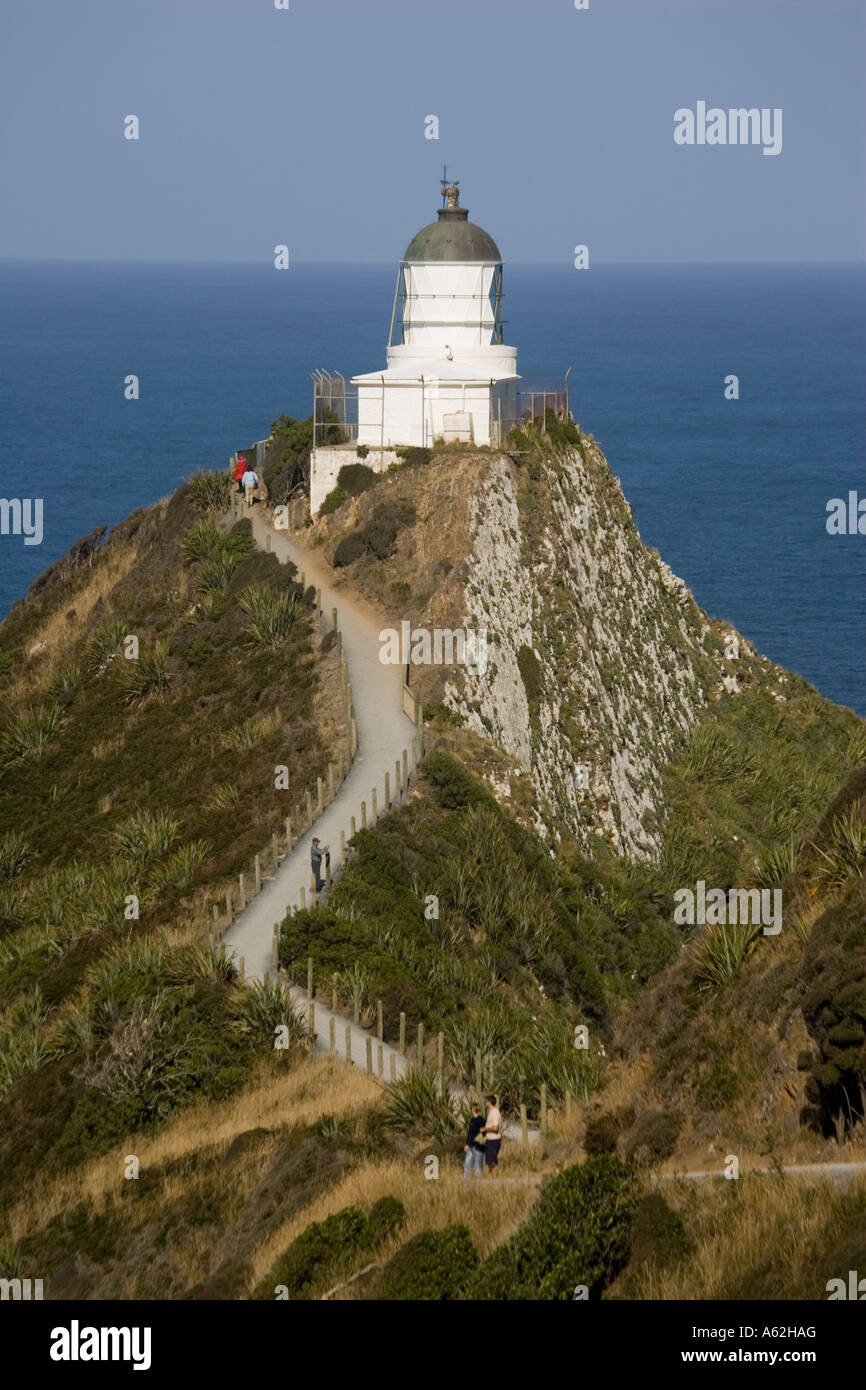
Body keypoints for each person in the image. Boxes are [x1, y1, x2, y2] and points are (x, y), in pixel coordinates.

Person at [481, 1094, 501, 1176]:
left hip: (494, 1139)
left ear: (489, 1102)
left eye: (486, 1101)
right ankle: (492, 1177)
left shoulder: (495, 1113)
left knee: (492, 1161)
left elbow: (495, 1128)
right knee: (490, 1160)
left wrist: (485, 1129)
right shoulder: (491, 1112)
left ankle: (495, 1178)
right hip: (489, 1139)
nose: (485, 1103)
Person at [463, 1102, 485, 1179]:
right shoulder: (472, 1120)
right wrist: (467, 1144)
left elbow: (483, 1132)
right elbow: (469, 1133)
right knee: (467, 1164)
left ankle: (480, 1183)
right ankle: (466, 1181)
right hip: (470, 1146)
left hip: (478, 1146)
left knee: (478, 1166)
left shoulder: (481, 1120)